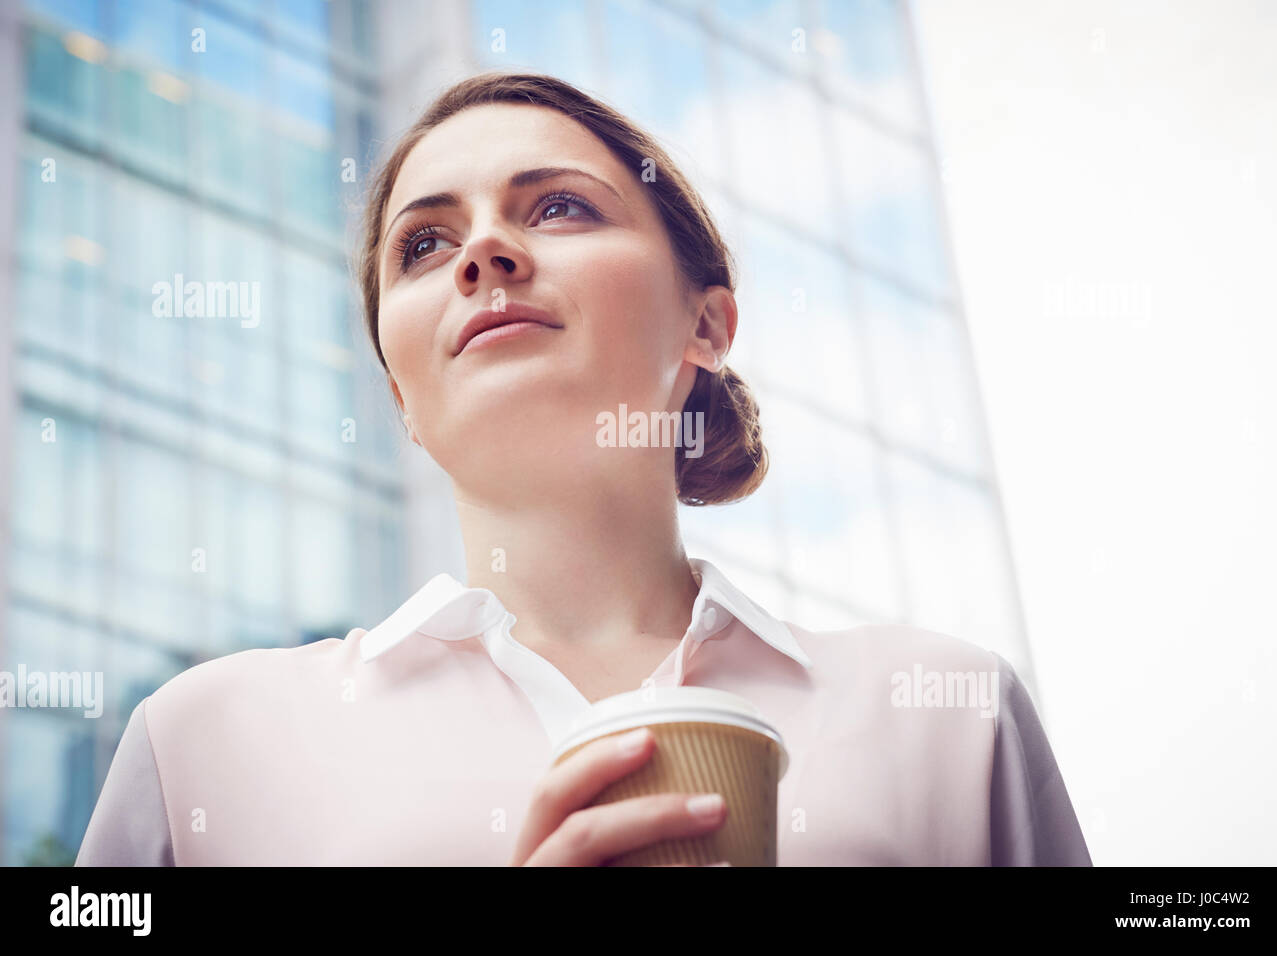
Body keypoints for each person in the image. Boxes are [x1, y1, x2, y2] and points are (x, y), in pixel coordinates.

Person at [75, 71, 1091, 867]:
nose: (482, 252)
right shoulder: (199, 742)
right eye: (423, 244)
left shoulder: (954, 717)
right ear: (400, 396)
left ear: (706, 322)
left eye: (557, 207)